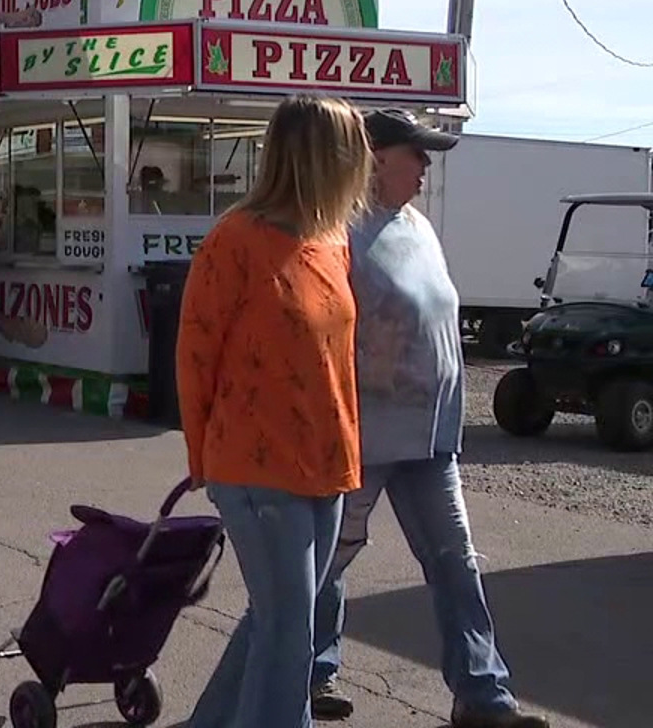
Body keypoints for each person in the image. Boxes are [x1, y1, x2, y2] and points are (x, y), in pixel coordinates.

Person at [311, 111, 550, 728]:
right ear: (375, 157)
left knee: (455, 560)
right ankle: (304, 675)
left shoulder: (416, 225)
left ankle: (483, 698)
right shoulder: (338, 231)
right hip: (363, 434)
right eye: (416, 153)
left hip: (429, 435)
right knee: (328, 559)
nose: (426, 165)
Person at [176, 95, 372, 728]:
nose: (363, 162)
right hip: (255, 466)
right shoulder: (235, 239)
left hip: (325, 461)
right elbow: (195, 350)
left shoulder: (331, 240)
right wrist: (200, 454)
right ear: (322, 158)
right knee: (291, 631)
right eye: (353, 149)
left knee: (283, 620)